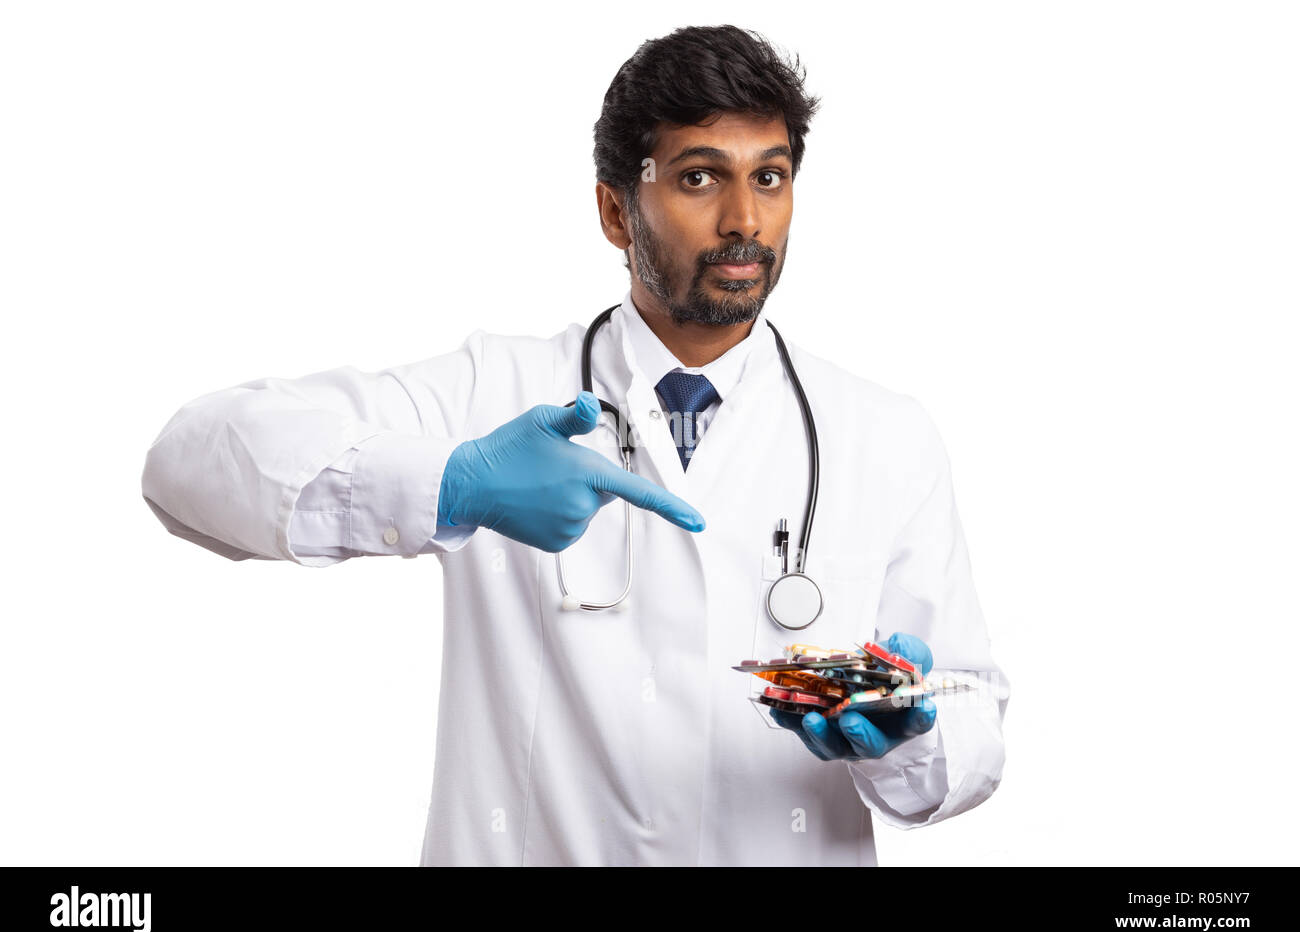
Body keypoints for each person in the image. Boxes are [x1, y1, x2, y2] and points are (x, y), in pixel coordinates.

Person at [141, 24, 1009, 866]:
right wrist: (452, 484)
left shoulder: (885, 435)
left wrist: (905, 734)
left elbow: (972, 724)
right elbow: (191, 459)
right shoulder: (495, 391)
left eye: (770, 177)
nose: (746, 219)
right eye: (700, 178)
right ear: (614, 210)